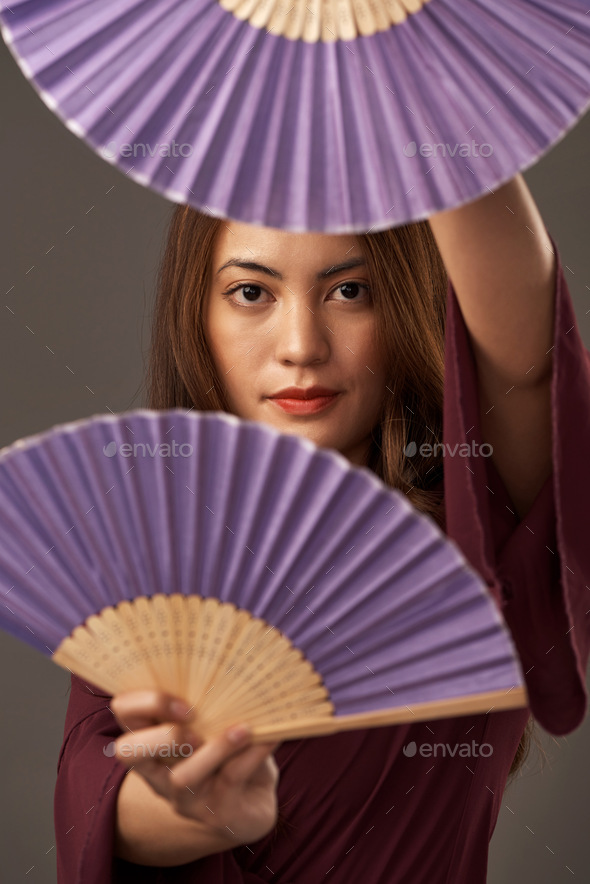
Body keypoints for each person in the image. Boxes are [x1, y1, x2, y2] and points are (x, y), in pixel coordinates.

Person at [54, 174, 590, 883]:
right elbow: (92, 797)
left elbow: (531, 367)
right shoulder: (147, 562)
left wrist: (423, 87)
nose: (301, 346)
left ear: (401, 303)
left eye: (350, 291)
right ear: (198, 316)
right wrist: (199, 812)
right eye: (252, 293)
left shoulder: (476, 527)